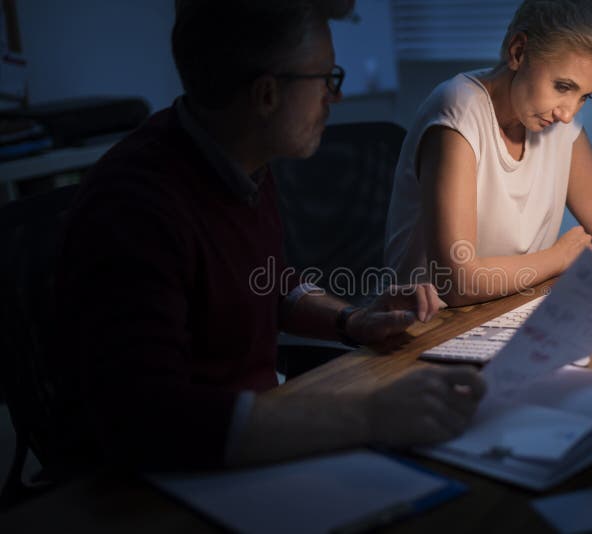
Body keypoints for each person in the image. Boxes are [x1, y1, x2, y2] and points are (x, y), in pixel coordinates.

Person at [52, 0, 485, 473]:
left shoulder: (243, 162)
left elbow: (268, 280)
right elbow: (149, 419)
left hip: (253, 438)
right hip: (166, 480)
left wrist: (352, 320)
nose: (333, 97)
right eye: (326, 78)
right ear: (266, 95)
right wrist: (369, 413)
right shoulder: (134, 208)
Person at [384, 0, 592, 306]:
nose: (568, 113)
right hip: (421, 330)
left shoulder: (556, 124)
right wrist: (559, 258)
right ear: (518, 52)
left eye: (584, 96)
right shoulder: (459, 109)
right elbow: (456, 283)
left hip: (502, 310)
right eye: (563, 86)